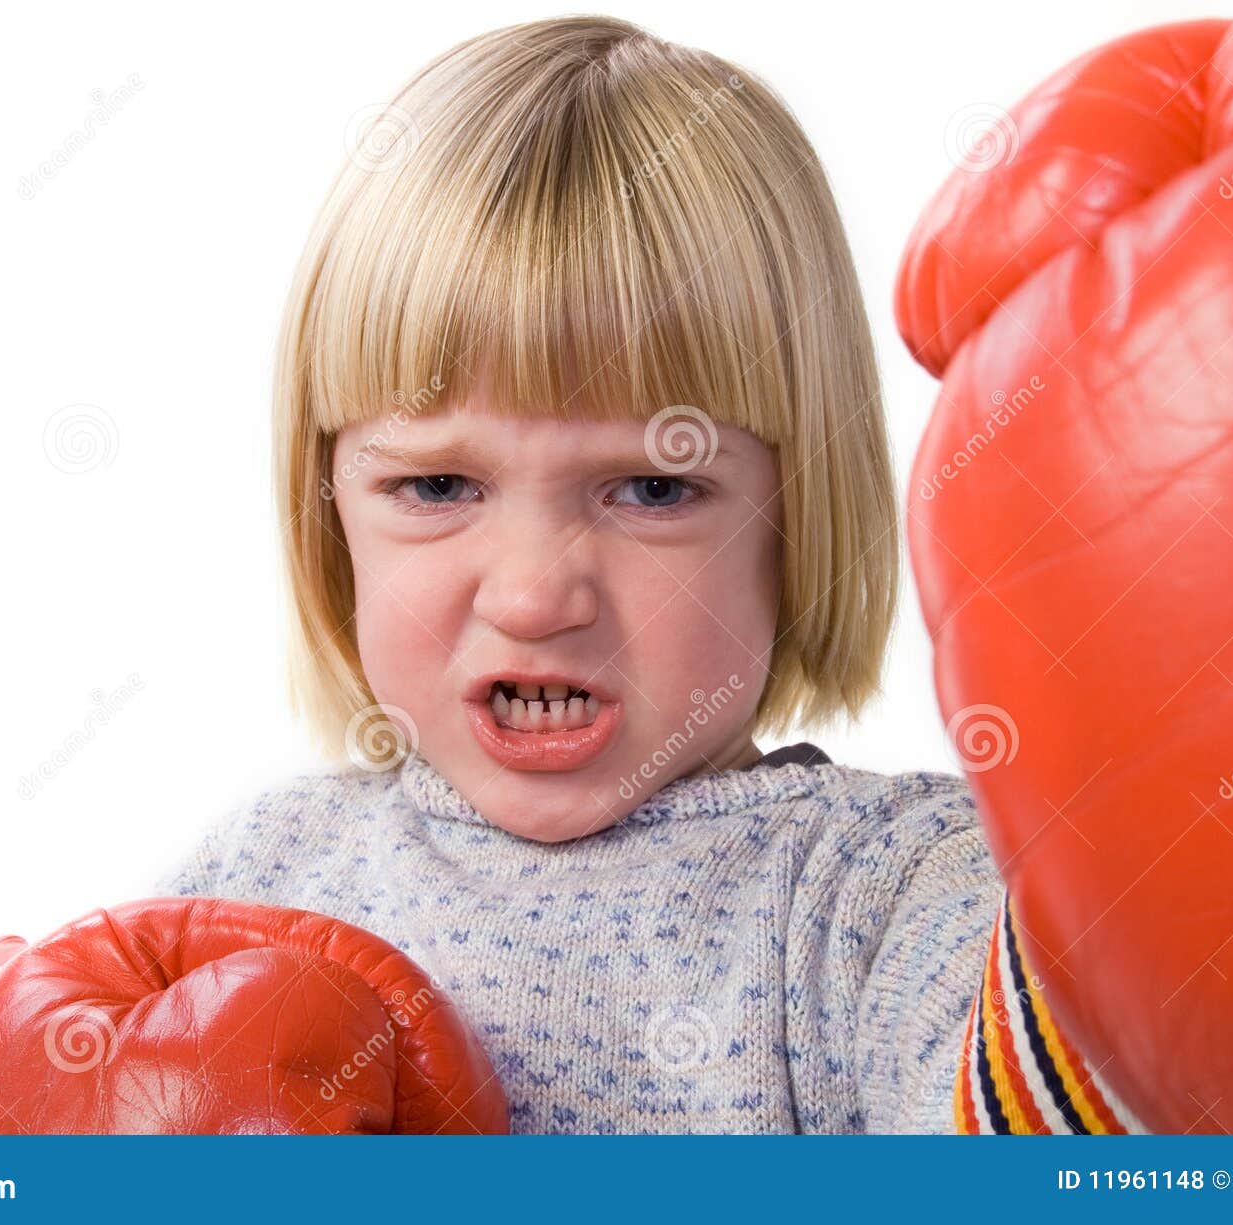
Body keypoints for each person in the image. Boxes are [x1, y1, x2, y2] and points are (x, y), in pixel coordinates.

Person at [156, 13, 1064, 1134]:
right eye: (437, 486)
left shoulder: (886, 895)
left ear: (800, 514)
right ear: (328, 511)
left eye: (652, 489)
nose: (534, 597)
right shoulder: (259, 881)